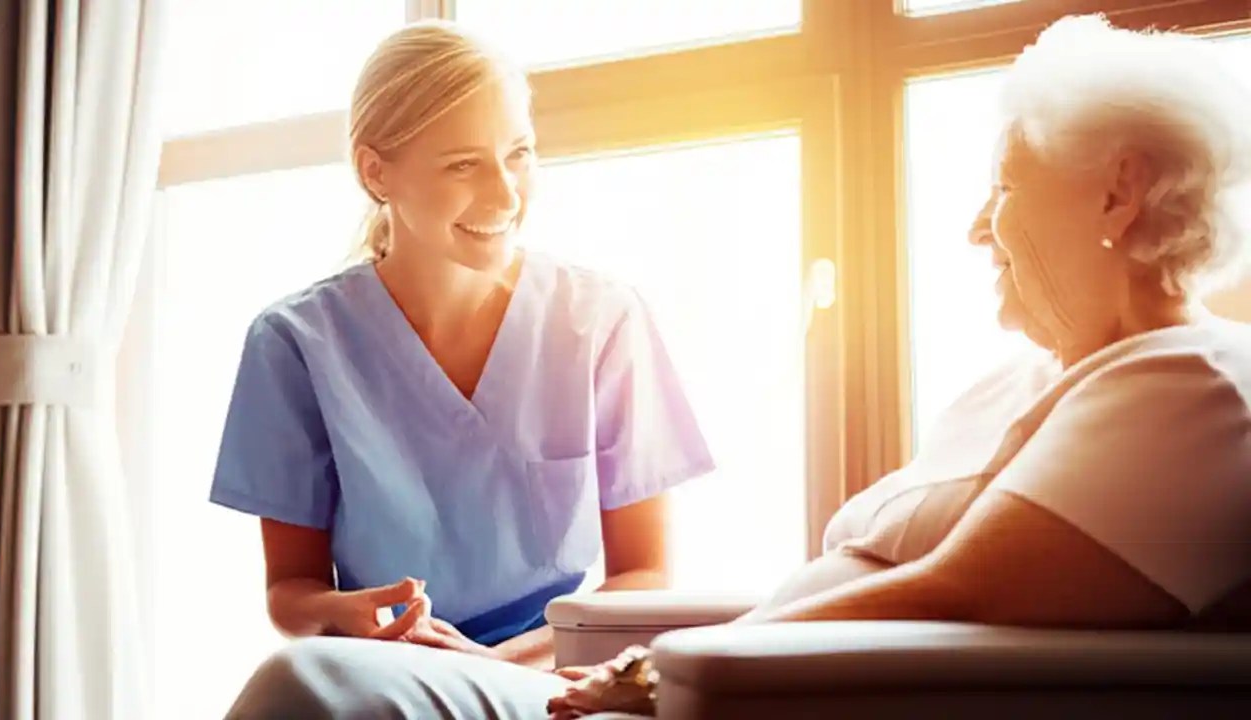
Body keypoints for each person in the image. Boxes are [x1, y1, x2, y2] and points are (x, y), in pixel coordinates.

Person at [223, 14, 1251, 720]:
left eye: (1005, 188)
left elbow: (949, 594)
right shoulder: (1025, 383)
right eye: (464, 161)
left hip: (713, 691)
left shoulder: (1186, 390)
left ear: (1116, 197)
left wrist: (641, 670)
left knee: (309, 692)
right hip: (690, 676)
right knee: (315, 681)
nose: (975, 226)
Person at [207, 17, 714, 684]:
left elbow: (646, 577)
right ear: (374, 172)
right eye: (463, 165)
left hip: (552, 674)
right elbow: (292, 592)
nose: (505, 194)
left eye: (520, 154)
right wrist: (346, 615)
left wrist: (494, 665)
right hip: (389, 672)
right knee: (290, 685)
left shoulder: (601, 320)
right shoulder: (295, 345)